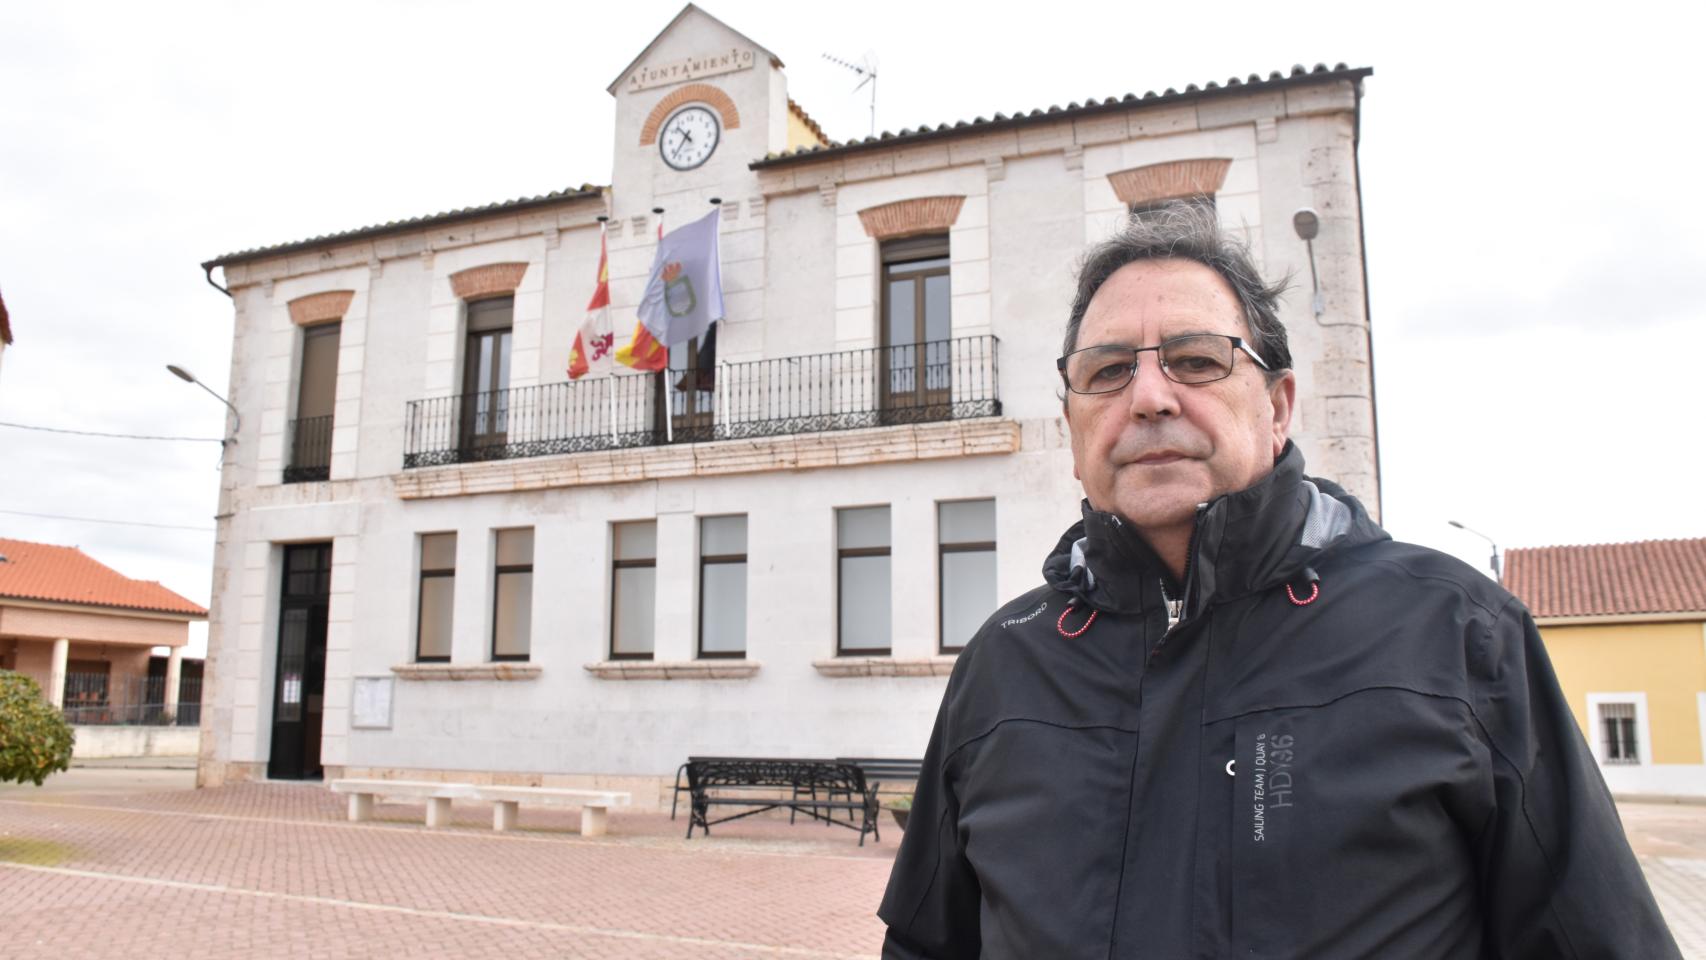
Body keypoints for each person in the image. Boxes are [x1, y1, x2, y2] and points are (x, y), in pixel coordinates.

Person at [877, 201, 1681, 959]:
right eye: (1109, 370)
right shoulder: (1003, 663)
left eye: (1196, 360)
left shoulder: (1458, 634)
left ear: (1279, 406)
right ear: (1073, 426)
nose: (1150, 396)